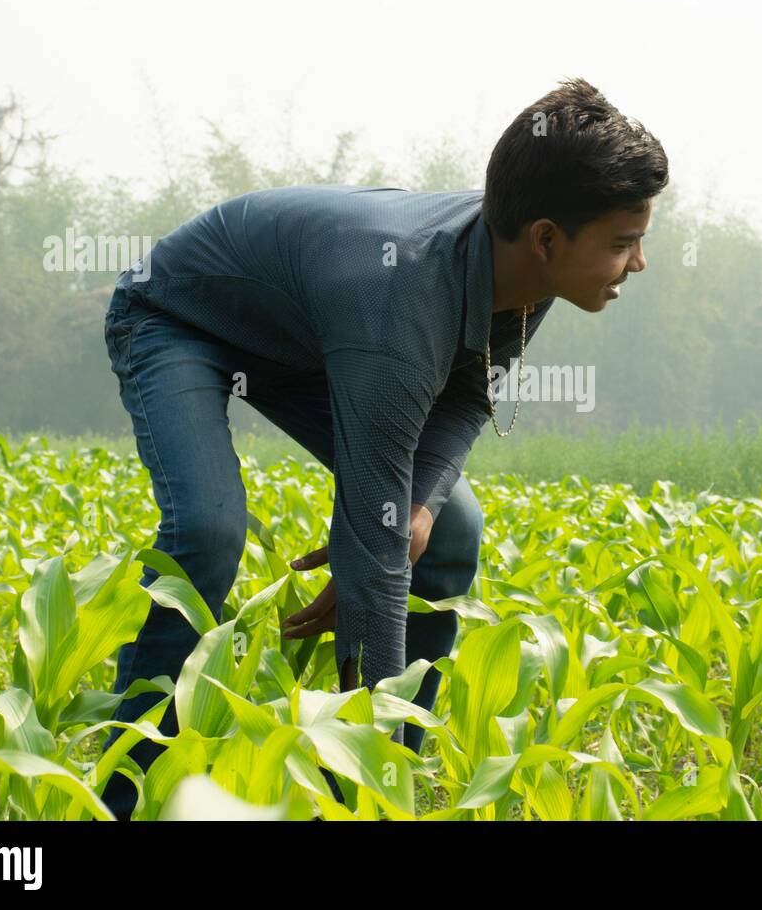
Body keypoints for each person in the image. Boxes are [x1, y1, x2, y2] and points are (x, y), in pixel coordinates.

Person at [97, 76, 669, 819]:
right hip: (177, 317)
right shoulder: (401, 309)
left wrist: (419, 507)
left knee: (449, 526)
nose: (639, 264)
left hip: (305, 338)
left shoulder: (525, 272)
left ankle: (385, 766)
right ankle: (120, 790)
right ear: (549, 239)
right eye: (624, 244)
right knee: (207, 532)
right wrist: (383, 539)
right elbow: (372, 558)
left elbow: (467, 395)